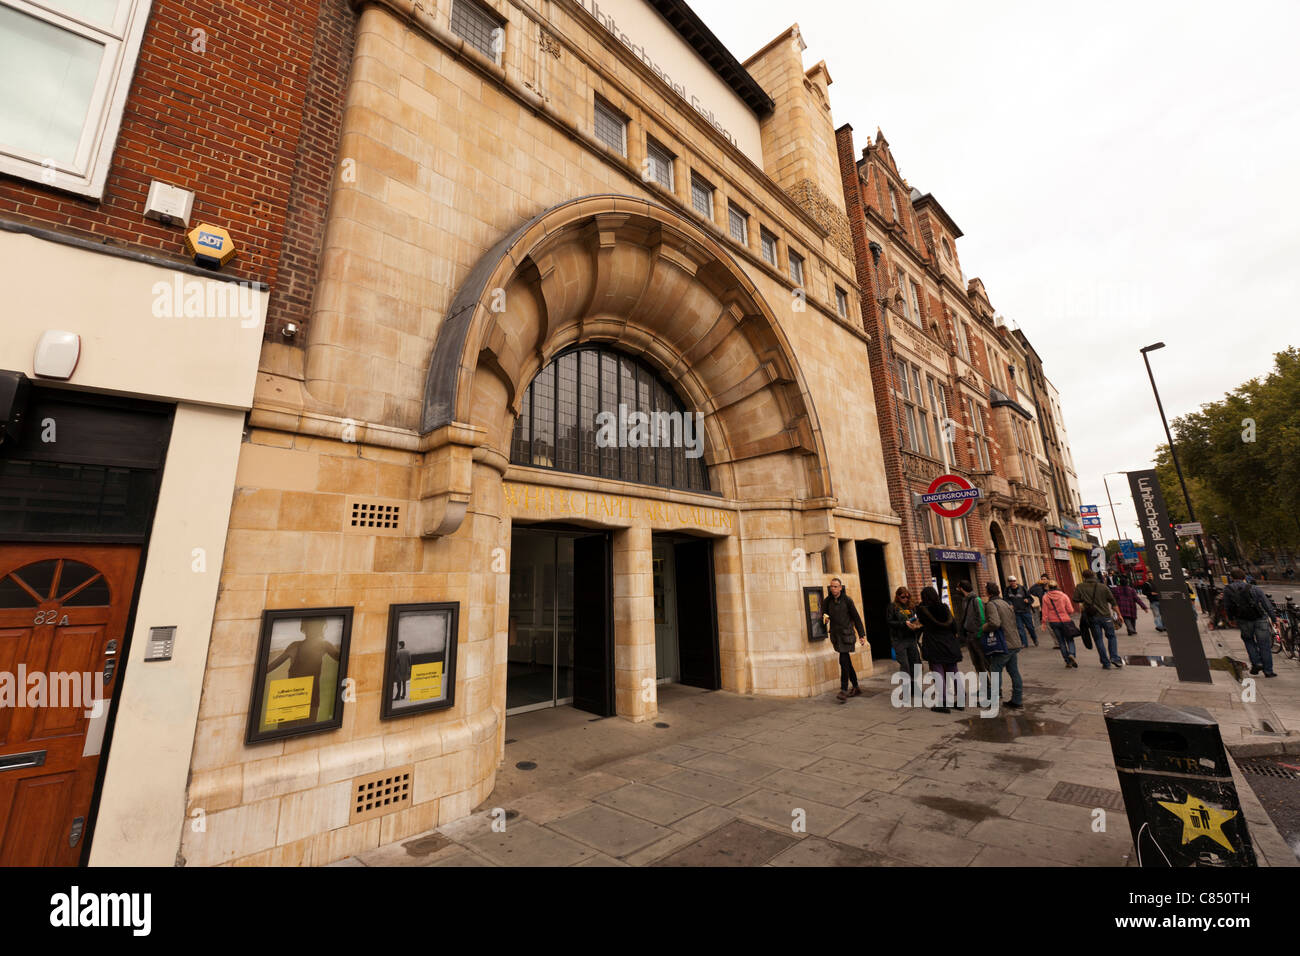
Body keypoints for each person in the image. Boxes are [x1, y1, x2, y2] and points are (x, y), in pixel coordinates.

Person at [1221, 567, 1277, 677]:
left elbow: (1227, 606)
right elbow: (1266, 604)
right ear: (1244, 577)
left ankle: (1257, 662)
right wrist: (1274, 618)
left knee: (1248, 640)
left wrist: (1231, 619)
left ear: (1231, 578)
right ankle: (1268, 671)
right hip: (1259, 618)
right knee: (1264, 644)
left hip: (1243, 619)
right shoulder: (1254, 588)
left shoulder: (1228, 590)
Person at [915, 586, 962, 712]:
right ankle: (961, 699)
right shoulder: (944, 607)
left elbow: (921, 623)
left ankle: (943, 702)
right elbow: (953, 625)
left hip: (934, 642)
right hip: (949, 641)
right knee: (953, 670)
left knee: (938, 671)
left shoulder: (922, 610)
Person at [821, 577, 867, 701]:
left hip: (847, 635)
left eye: (835, 586)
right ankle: (856, 686)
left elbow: (856, 618)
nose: (833, 589)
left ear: (840, 588)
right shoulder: (827, 601)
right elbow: (824, 615)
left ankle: (843, 689)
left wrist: (862, 635)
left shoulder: (847, 600)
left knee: (843, 660)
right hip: (836, 636)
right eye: (831, 587)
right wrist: (825, 619)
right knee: (846, 661)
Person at [982, 582, 1024, 709]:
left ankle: (992, 700)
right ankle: (1017, 699)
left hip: (1003, 643)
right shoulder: (1005, 603)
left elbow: (995, 623)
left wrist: (984, 627)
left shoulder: (991, 604)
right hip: (1014, 642)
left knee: (995, 671)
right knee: (1014, 672)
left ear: (988, 592)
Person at [1073, 570, 1124, 669]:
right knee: (1111, 637)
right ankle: (1114, 658)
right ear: (1094, 575)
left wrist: (1085, 600)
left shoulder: (1080, 586)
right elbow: (1112, 601)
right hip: (1106, 616)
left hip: (1092, 617)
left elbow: (1075, 599)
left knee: (1098, 639)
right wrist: (1119, 614)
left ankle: (1105, 662)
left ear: (1084, 577)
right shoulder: (1103, 586)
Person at [886, 586, 924, 701]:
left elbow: (917, 618)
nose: (905, 599)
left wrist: (916, 625)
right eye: (903, 597)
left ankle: (915, 688)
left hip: (911, 638)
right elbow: (889, 622)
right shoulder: (892, 607)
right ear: (898, 597)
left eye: (907, 597)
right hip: (899, 639)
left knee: (915, 663)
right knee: (905, 665)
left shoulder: (911, 607)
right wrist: (904, 623)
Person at [955, 579, 990, 678]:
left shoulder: (976, 599)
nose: (957, 591)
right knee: (977, 664)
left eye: (958, 588)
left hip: (977, 636)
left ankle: (996, 689)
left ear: (961, 588)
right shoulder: (964, 601)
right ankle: (985, 687)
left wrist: (979, 634)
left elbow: (982, 618)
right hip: (969, 636)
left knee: (986, 662)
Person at [1040, 580, 1079, 667]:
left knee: (1061, 642)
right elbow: (1070, 610)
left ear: (1049, 587)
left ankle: (1067, 661)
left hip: (1053, 622)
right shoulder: (1064, 596)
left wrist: (1043, 623)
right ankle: (1072, 654)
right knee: (1070, 639)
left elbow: (1044, 611)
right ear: (1057, 586)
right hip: (1065, 620)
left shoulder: (1045, 597)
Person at [1003, 574, 1040, 648]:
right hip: (1016, 612)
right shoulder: (1007, 590)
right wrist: (1009, 604)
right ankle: (1024, 643)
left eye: (1013, 581)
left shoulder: (1022, 588)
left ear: (1016, 581)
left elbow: (1031, 599)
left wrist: (1027, 600)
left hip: (1025, 611)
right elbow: (1006, 599)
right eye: (1010, 581)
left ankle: (1035, 639)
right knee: (1020, 628)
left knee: (1030, 627)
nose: (1012, 582)